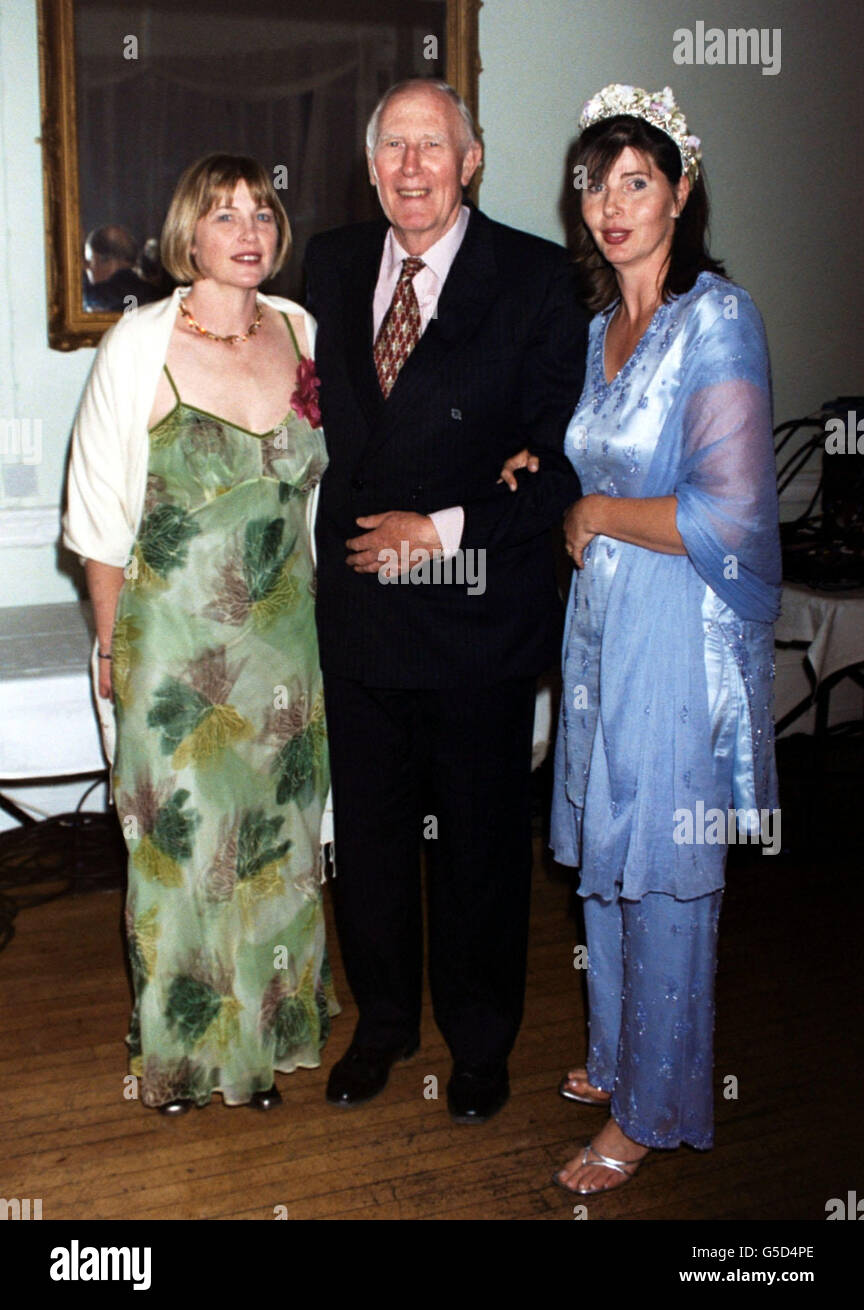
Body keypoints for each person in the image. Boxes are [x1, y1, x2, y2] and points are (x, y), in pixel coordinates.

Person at [504, 83, 781, 1191]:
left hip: (676, 626)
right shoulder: (599, 329)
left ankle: (654, 1111)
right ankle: (618, 1054)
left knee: (663, 868)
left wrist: (595, 513)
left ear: (680, 191)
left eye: (637, 182)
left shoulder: (716, 316)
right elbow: (609, 456)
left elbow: (733, 510)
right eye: (596, 186)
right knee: (611, 864)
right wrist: (548, 470)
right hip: (604, 625)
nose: (613, 205)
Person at [304, 78, 588, 1122]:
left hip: (476, 609)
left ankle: (479, 1043)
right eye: (394, 148)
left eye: (434, 146)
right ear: (371, 165)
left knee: (476, 846)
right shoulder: (328, 267)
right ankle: (382, 1025)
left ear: (472, 160)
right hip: (363, 617)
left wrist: (446, 529)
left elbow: (563, 459)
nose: (412, 166)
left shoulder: (540, 277)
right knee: (371, 840)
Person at [64, 154, 338, 1113]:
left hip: (285, 651)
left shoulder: (301, 332)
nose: (248, 230)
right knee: (182, 857)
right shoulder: (136, 346)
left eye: (262, 211)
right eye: (224, 216)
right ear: (190, 236)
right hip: (173, 651)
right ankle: (183, 1056)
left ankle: (258, 1047)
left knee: (276, 852)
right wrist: (111, 647)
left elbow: (320, 490)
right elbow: (98, 521)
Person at [83, 224, 161, 311]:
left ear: (107, 260)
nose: (87, 268)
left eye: (90, 260)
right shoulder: (155, 294)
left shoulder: (97, 297)